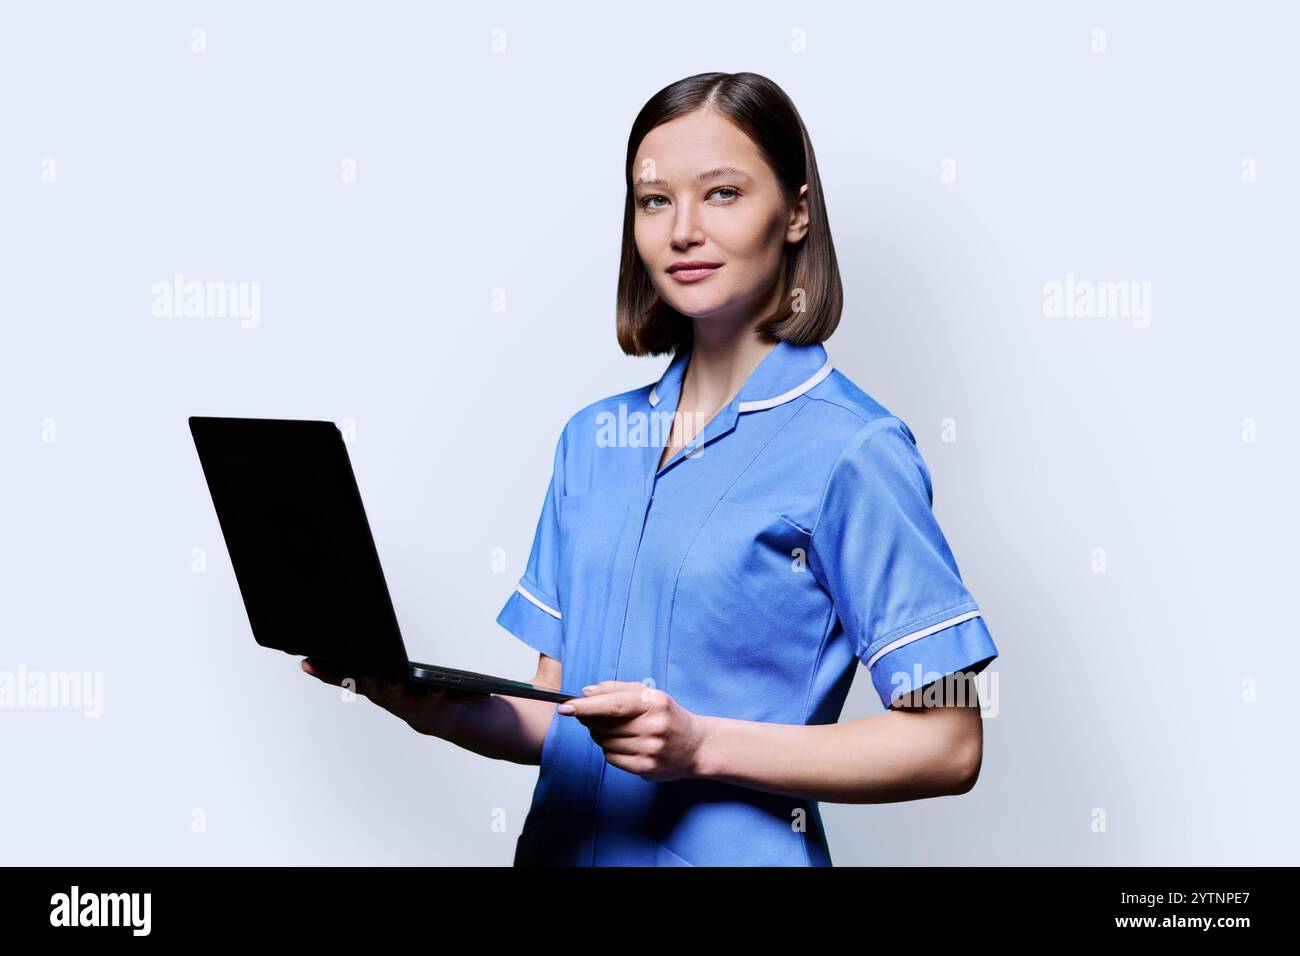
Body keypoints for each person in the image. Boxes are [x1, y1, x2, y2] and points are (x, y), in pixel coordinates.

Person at [304, 71, 999, 867]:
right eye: (655, 200)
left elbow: (950, 741)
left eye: (724, 193)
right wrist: (417, 701)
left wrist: (700, 745)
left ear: (798, 211)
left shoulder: (853, 450)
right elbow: (559, 720)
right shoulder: (592, 439)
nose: (683, 231)